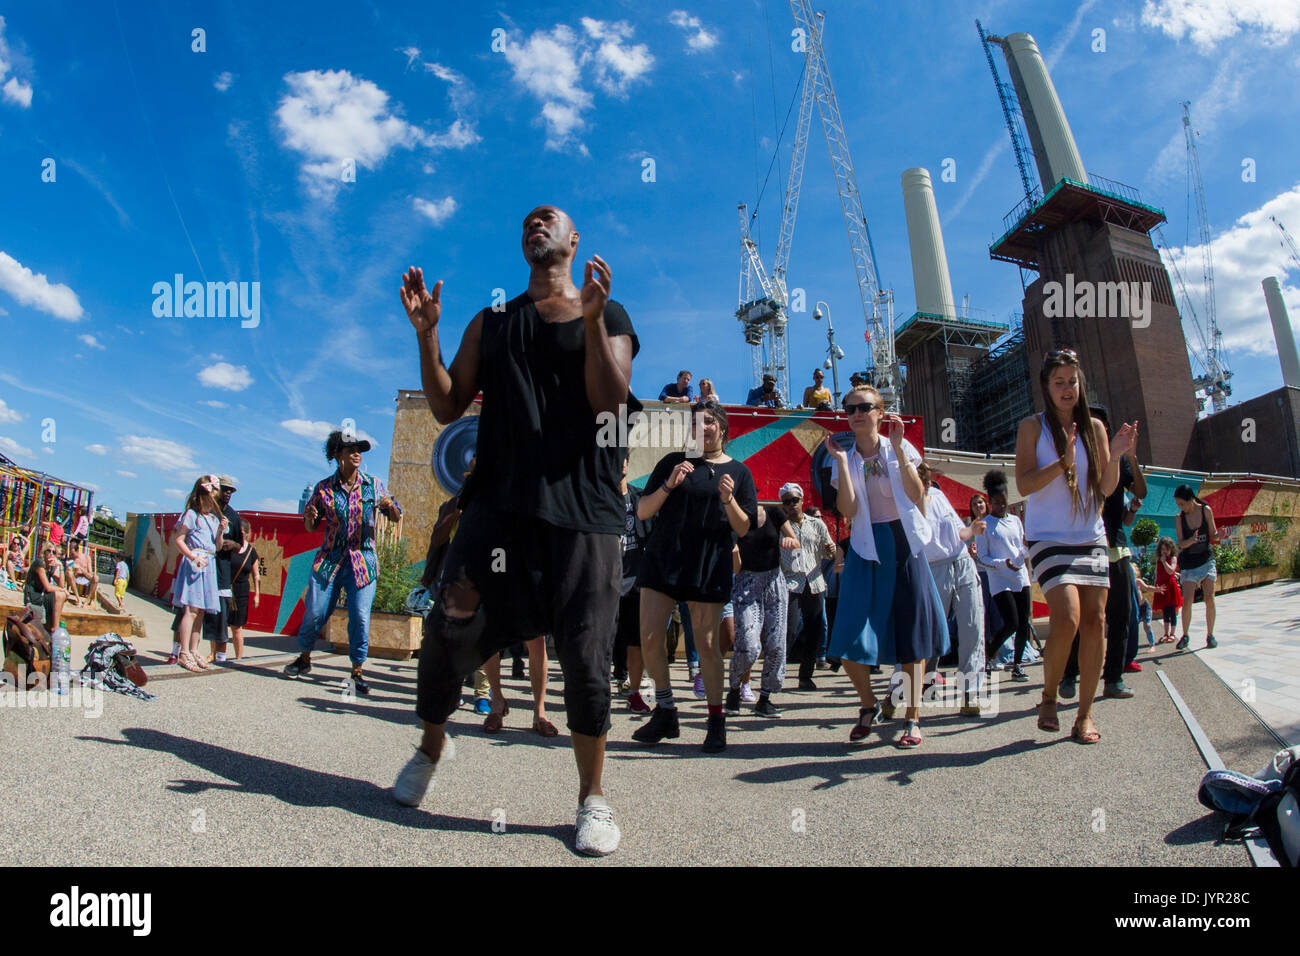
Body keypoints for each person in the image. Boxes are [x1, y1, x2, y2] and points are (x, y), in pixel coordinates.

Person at [395, 204, 636, 857]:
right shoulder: (493, 322)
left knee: (586, 656)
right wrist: (427, 337)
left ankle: (592, 800)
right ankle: (430, 747)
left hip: (582, 509)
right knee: (449, 632)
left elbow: (610, 404)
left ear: (573, 239)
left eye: (549, 219)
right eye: (527, 220)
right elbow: (448, 405)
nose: (536, 225)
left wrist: (589, 321)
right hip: (498, 505)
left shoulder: (606, 314)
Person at [1014, 349, 1136, 744]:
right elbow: (1025, 485)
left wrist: (1115, 456)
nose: (1067, 389)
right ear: (1046, 388)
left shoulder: (1095, 428)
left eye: (1072, 381)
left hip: (1090, 534)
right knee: (1066, 618)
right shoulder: (1032, 427)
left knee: (1096, 621)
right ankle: (1048, 696)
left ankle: (1084, 715)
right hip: (1048, 536)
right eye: (1059, 382)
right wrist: (1062, 464)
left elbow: (1104, 489)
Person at [823, 385, 947, 748]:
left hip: (904, 542)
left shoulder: (901, 446)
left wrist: (897, 448)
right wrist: (844, 464)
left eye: (865, 407)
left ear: (881, 412)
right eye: (850, 409)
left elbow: (916, 494)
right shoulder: (842, 456)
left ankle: (912, 717)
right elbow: (847, 510)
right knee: (847, 636)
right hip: (865, 544)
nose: (857, 413)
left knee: (912, 636)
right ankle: (868, 705)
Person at [633, 401, 756, 752]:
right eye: (694, 425)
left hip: (708, 562)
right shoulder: (672, 463)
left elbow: (744, 527)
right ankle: (665, 710)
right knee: (651, 639)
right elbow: (643, 510)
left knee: (706, 647)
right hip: (663, 559)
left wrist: (729, 500)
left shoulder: (739, 472)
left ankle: (716, 721)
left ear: (722, 428)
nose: (701, 430)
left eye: (708, 424)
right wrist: (669, 486)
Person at [284, 433, 401, 694]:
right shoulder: (323, 488)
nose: (357, 454)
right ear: (338, 455)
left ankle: (357, 671)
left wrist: (389, 506)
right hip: (330, 561)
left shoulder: (374, 485)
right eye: (351, 450)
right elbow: (311, 526)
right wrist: (310, 517)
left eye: (360, 450)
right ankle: (304, 659)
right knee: (316, 612)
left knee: (359, 616)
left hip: (363, 562)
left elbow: (396, 515)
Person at [1059, 405, 1146, 700]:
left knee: (1121, 616)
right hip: (1084, 546)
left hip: (1116, 547)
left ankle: (1113, 679)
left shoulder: (1119, 461)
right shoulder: (1077, 460)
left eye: (1100, 425)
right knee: (1083, 618)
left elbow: (1141, 492)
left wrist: (1131, 456)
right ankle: (1070, 674)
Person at [916, 461, 986, 715]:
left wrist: (973, 530)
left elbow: (960, 532)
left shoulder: (938, 495)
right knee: (929, 633)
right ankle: (905, 689)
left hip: (963, 563)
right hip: (933, 570)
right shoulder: (904, 505)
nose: (924, 484)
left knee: (973, 629)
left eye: (923, 479)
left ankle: (970, 694)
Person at [724, 502, 799, 718]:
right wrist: (735, 552)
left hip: (774, 581)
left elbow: (794, 541)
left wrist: (789, 540)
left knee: (776, 643)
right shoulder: (733, 521)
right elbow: (736, 569)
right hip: (747, 582)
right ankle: (734, 689)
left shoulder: (774, 513)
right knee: (748, 644)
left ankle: (765, 697)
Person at [975, 470, 1032, 682]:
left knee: (1023, 622)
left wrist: (1021, 556)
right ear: (990, 502)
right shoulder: (985, 525)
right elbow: (981, 557)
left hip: (1020, 576)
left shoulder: (1016, 521)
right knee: (1012, 622)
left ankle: (1017, 664)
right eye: (997, 503)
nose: (1001, 506)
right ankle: (990, 651)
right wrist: (1002, 563)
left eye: (1004, 502)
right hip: (999, 579)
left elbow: (1022, 546)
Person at [778, 482, 834, 688]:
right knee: (788, 630)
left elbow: (829, 551)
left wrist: (830, 550)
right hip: (791, 582)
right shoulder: (781, 526)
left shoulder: (817, 524)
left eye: (795, 500)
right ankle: (777, 671)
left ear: (802, 500)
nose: (791, 504)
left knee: (814, 629)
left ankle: (805, 675)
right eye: (787, 502)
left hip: (815, 581)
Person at [170, 475, 227, 673]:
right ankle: (184, 651)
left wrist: (220, 530)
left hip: (209, 562)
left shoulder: (212, 519)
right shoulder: (191, 515)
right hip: (196, 563)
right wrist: (192, 557)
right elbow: (179, 539)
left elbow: (218, 546)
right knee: (191, 610)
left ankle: (194, 649)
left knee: (201, 611)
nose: (214, 499)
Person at [613, 455, 654, 713]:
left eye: (623, 459)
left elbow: (655, 531)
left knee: (636, 639)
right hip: (605, 580)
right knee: (602, 639)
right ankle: (597, 688)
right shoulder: (600, 499)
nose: (619, 464)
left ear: (627, 464)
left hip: (635, 579)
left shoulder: (640, 498)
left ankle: (635, 692)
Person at [1173, 485, 1218, 650]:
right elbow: (1180, 544)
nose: (1180, 507)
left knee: (1209, 597)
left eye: (1182, 504)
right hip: (1189, 564)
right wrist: (1190, 541)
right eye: (1178, 505)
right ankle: (1185, 635)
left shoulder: (1206, 510)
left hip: (1206, 560)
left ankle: (1210, 635)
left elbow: (1213, 533)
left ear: (1191, 499)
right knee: (1187, 601)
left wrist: (1219, 535)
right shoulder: (1179, 518)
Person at [206, 476, 244, 663]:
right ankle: (183, 652)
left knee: (221, 617)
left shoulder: (234, 517)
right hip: (202, 569)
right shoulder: (206, 510)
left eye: (231, 490)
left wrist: (232, 544)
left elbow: (240, 545)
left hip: (222, 572)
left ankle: (220, 657)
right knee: (194, 613)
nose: (228, 493)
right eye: (225, 489)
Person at [226, 521, 260, 661]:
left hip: (241, 592)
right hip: (226, 589)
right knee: (221, 624)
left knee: (237, 627)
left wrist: (257, 594)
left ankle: (238, 658)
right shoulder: (228, 547)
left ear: (247, 533)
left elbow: (256, 575)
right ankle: (215, 654)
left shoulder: (251, 552)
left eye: (241, 532)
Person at [23, 542, 67, 631]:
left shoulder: (51, 566)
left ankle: (55, 626)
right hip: (33, 596)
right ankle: (55, 628)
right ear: (44, 552)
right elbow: (48, 587)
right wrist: (62, 590)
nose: (51, 554)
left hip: (42, 595)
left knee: (61, 595)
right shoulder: (39, 564)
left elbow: (61, 584)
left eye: (54, 552)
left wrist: (61, 567)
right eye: (49, 551)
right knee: (60, 594)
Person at [1152, 536, 1182, 643]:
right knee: (1165, 611)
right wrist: (1155, 586)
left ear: (1171, 549)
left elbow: (1171, 571)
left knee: (1172, 610)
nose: (1164, 551)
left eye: (1166, 549)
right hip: (1161, 587)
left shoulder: (1173, 558)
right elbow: (1157, 572)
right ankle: (1165, 633)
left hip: (1170, 587)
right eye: (1162, 549)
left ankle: (1172, 634)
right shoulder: (1158, 560)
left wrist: (1165, 562)